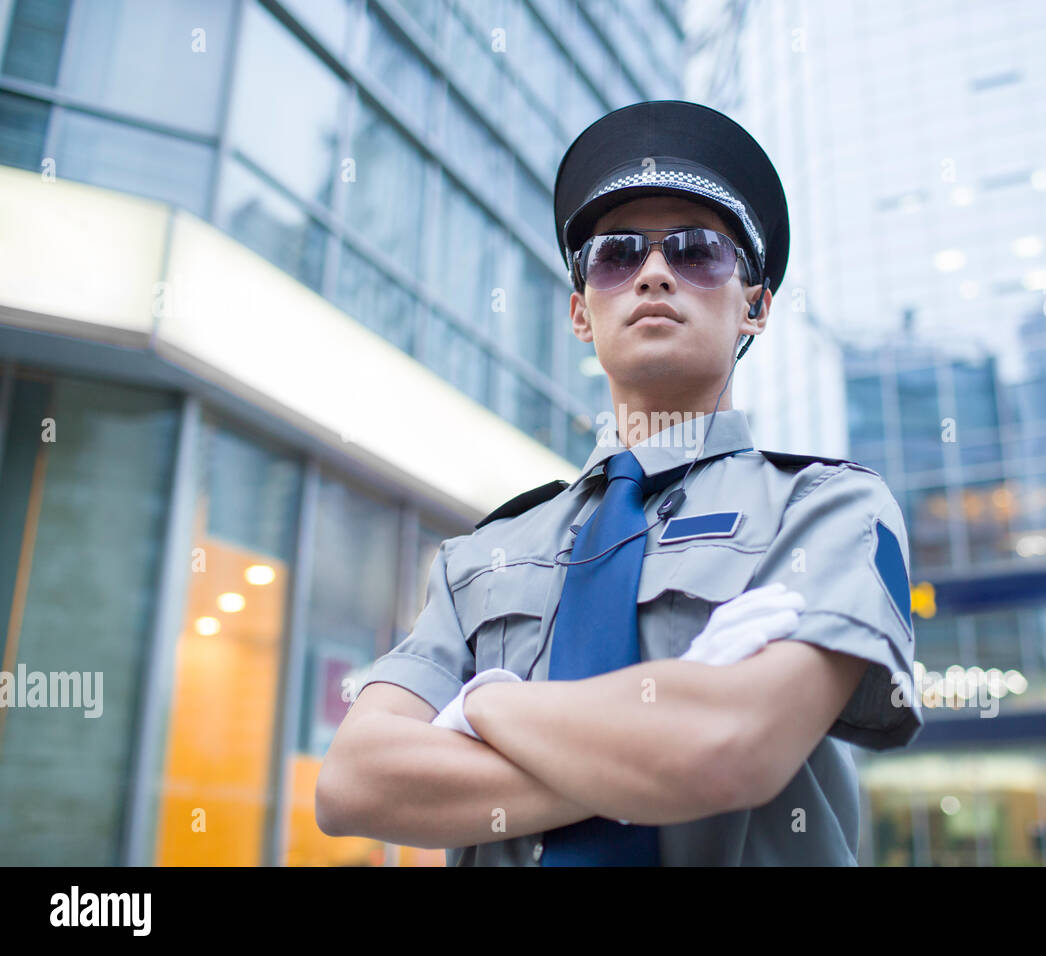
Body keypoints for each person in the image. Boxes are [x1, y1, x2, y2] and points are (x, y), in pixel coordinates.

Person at [316, 100, 923, 866]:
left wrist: (482, 706)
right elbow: (355, 783)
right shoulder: (480, 558)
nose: (656, 274)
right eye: (618, 255)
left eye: (699, 251)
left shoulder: (828, 512)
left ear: (756, 307)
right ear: (580, 311)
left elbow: (732, 751)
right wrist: (660, 742)